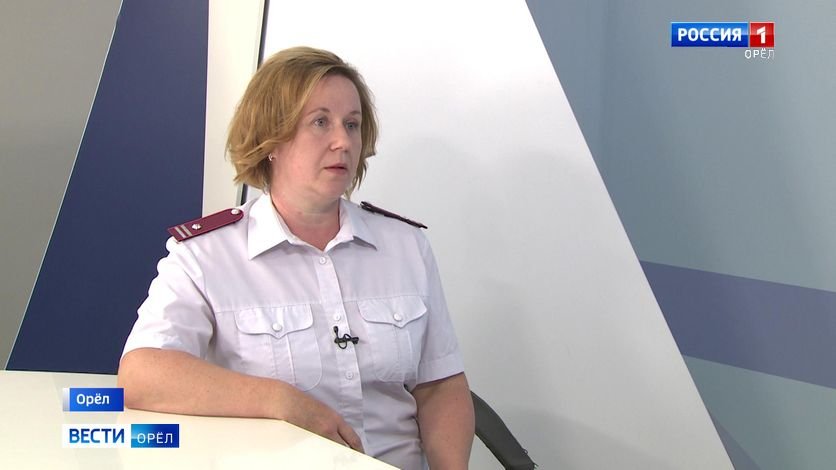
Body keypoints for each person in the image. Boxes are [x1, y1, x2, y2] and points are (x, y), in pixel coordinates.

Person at [117, 46, 474, 469]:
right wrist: (279, 401)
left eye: (352, 124)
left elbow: (440, 385)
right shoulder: (207, 255)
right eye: (320, 122)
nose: (343, 141)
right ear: (271, 140)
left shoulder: (405, 246)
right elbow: (142, 375)